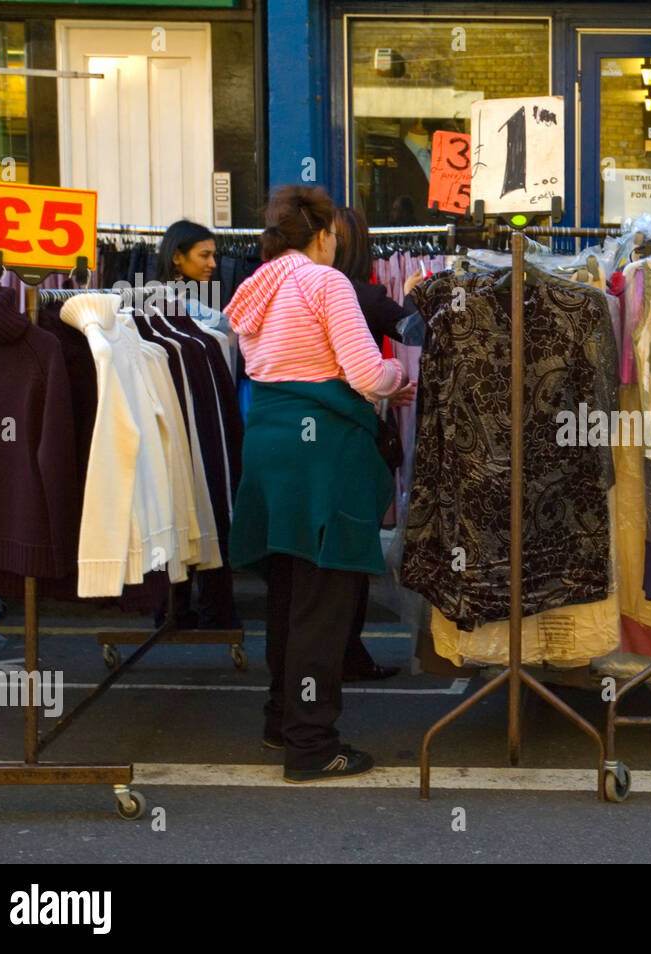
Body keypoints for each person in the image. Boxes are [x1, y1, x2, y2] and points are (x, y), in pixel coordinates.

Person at [224, 185, 405, 782]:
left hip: (272, 444)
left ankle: (283, 719)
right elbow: (364, 373)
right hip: (322, 449)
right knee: (323, 602)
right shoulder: (326, 283)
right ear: (324, 234)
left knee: (287, 592)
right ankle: (310, 743)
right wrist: (397, 373)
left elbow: (260, 363)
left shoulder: (255, 287)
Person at [329, 205, 422, 682]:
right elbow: (414, 329)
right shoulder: (359, 296)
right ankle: (346, 656)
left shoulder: (289, 293)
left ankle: (331, 658)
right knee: (352, 554)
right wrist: (416, 294)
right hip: (353, 443)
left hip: (307, 443)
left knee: (319, 562)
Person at [153, 219, 242, 632]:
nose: (213, 263)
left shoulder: (191, 307)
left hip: (192, 422)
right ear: (177, 257)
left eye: (213, 255)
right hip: (195, 424)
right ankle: (207, 610)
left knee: (182, 508)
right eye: (204, 255)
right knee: (206, 507)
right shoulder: (167, 308)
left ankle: (176, 609)